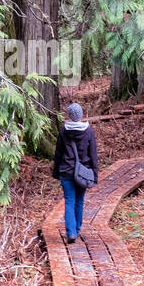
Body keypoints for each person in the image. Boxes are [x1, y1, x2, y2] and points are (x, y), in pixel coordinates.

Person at [51, 102, 99, 244]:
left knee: (69, 201)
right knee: (79, 201)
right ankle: (77, 229)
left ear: (69, 116)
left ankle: (71, 232)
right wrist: (95, 174)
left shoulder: (63, 131)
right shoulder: (88, 132)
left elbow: (58, 154)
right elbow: (93, 155)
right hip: (83, 173)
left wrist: (56, 172)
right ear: (81, 115)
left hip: (66, 172)